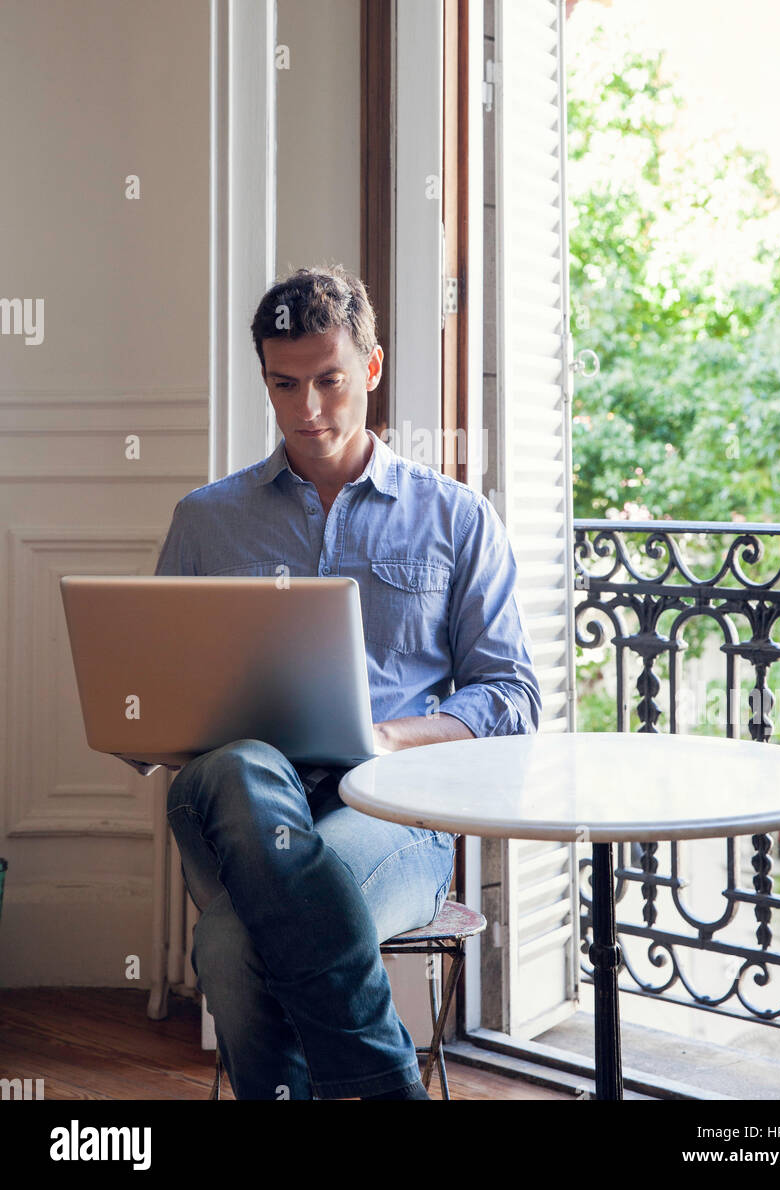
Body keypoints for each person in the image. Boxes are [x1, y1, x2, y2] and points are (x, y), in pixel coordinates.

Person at [120, 264, 541, 1099]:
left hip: (391, 815)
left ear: (372, 369)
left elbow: (509, 695)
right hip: (230, 814)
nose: (306, 410)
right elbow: (147, 704)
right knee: (243, 767)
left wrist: (386, 737)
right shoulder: (206, 521)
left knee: (233, 945)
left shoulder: (455, 517)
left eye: (328, 381)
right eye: (283, 385)